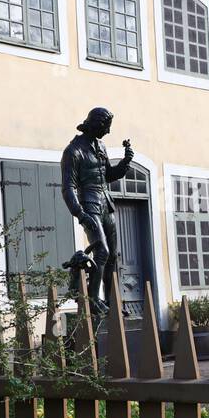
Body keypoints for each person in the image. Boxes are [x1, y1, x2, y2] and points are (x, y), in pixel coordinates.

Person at [60, 107, 133, 316]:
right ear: (96, 125)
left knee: (113, 257)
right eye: (106, 128)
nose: (108, 133)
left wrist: (126, 162)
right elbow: (68, 188)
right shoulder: (73, 151)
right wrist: (80, 214)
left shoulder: (100, 145)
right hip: (89, 206)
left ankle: (112, 303)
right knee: (102, 252)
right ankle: (92, 301)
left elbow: (108, 175)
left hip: (106, 204)